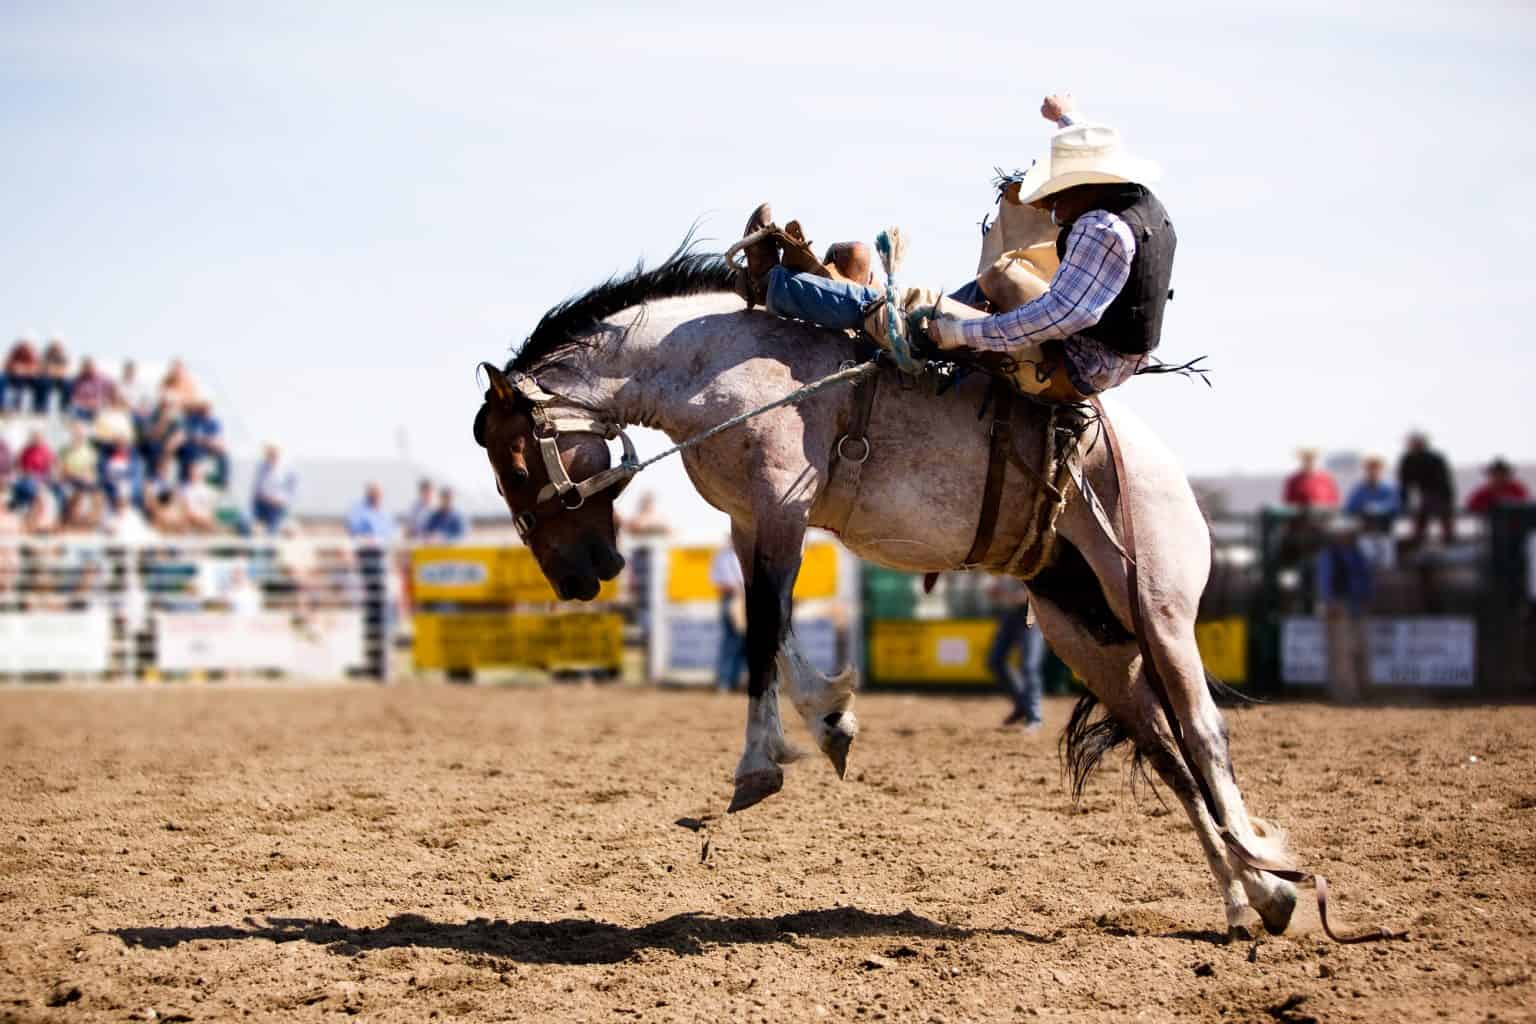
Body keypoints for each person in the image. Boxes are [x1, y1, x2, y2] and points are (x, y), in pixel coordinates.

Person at [735, 93, 1174, 401]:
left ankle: (771, 285)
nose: (1052, 204)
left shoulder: (1101, 229)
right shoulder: (1130, 200)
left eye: (1060, 191)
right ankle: (861, 303)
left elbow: (1058, 317)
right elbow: (1089, 152)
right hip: (1096, 354)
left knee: (915, 311)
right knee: (1002, 275)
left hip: (1068, 365)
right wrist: (1066, 117)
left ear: (1088, 184)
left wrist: (961, 333)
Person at [987, 576, 1044, 729]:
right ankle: (1022, 706)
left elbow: (1030, 595)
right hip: (1010, 614)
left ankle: (1034, 716)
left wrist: (1007, 594)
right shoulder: (1006, 569)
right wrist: (995, 590)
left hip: (1031, 614)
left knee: (1029, 666)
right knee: (995, 661)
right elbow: (994, 589)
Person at [1398, 433, 1456, 546]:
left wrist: (1446, 500)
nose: (1414, 445)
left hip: (1439, 494)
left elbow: (1445, 482)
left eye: (1417, 442)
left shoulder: (1435, 458)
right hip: (1424, 495)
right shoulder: (1408, 459)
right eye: (1413, 443)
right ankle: (1417, 545)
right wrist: (1403, 502)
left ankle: (1449, 543)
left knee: (1445, 523)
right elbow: (1405, 483)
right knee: (1419, 525)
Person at [1344, 454, 1401, 570]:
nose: (1373, 472)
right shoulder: (1359, 489)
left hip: (1385, 533)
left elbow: (1397, 507)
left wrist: (1381, 508)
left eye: (1376, 469)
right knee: (1367, 561)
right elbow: (1349, 509)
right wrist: (1363, 508)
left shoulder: (1389, 489)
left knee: (1387, 563)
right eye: (1370, 468)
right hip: (1366, 532)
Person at [710, 541, 746, 692]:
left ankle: (736, 682)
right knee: (732, 640)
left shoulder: (749, 553)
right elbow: (718, 582)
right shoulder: (723, 556)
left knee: (749, 643)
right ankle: (726, 681)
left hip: (748, 597)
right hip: (733, 598)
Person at [178, 398, 227, 485]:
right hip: (193, 448)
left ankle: (221, 481)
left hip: (207, 449)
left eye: (207, 409)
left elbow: (217, 440)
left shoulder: (214, 422)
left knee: (223, 455)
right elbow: (188, 435)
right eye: (202, 408)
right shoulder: (193, 420)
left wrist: (203, 440)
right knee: (190, 451)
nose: (204, 411)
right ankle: (186, 480)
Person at [250, 445, 298, 535]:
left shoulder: (288, 470)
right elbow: (257, 489)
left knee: (273, 531)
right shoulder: (261, 467)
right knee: (253, 528)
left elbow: (292, 492)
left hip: (278, 506)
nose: (271, 457)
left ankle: (281, 531)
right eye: (269, 454)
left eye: (273, 454)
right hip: (262, 505)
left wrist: (279, 499)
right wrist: (263, 497)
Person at [2, 332, 43, 413]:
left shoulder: (34, 353)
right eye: (25, 343)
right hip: (14, 376)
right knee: (4, 379)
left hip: (29, 378)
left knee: (42, 382)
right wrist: (15, 368)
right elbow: (7, 364)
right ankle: (5, 406)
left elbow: (37, 368)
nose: (27, 345)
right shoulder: (16, 351)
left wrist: (26, 370)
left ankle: (39, 407)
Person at [177, 460, 219, 533]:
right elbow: (185, 511)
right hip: (192, 522)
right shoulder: (183, 489)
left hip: (207, 521)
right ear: (189, 472)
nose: (194, 473)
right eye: (192, 471)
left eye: (196, 471)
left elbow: (213, 509)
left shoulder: (209, 490)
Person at [39, 336, 72, 415]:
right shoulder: (46, 357)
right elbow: (43, 368)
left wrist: (57, 372)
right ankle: (42, 407)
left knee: (67, 384)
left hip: (59, 378)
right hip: (47, 378)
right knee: (44, 383)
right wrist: (50, 371)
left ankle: (65, 408)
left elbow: (64, 369)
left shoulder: (63, 357)